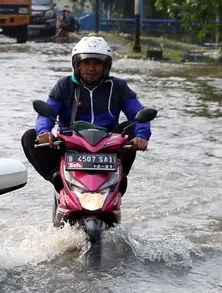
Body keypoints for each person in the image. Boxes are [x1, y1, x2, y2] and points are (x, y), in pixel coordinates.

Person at [23, 36, 150, 194]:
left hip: (108, 147)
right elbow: (47, 112)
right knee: (29, 136)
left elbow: (138, 113)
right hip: (69, 146)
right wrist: (44, 132)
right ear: (77, 65)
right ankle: (56, 177)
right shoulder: (64, 85)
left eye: (97, 63)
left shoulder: (118, 87)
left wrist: (141, 136)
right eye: (86, 63)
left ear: (106, 66)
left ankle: (121, 177)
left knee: (129, 127)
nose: (91, 68)